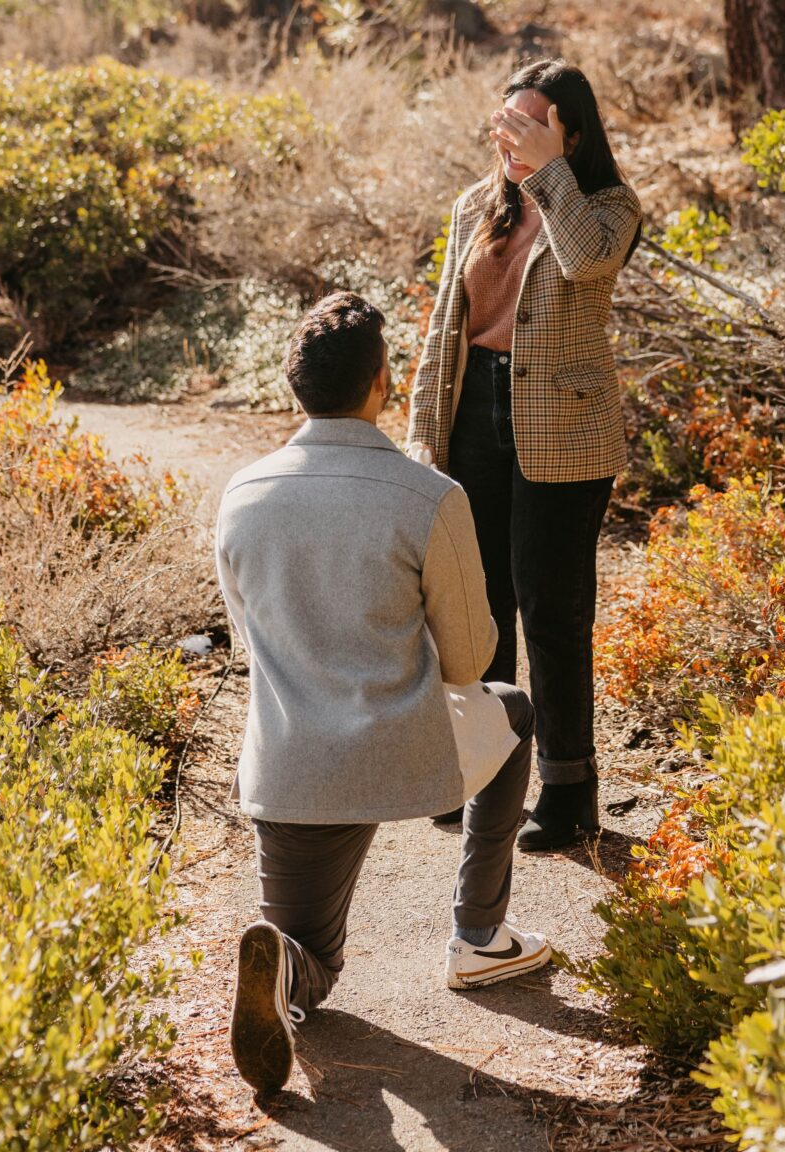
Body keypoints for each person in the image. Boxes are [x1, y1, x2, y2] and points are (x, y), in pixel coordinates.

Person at [216, 292, 551, 1098]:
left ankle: (287, 971)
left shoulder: (240, 495)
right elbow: (470, 662)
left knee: (309, 956)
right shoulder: (428, 495)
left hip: (292, 765)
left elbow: (246, 647)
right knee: (512, 708)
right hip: (407, 749)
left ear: (294, 386)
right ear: (383, 383)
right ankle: (478, 935)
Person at [406, 58, 643, 850]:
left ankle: (570, 792)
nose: (509, 138)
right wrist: (423, 432)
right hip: (476, 409)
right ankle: (482, 777)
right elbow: (446, 326)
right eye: (504, 123)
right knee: (477, 610)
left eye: (529, 124)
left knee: (553, 610)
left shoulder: (607, 206)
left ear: (570, 132)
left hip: (565, 435)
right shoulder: (476, 205)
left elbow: (587, 263)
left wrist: (548, 176)